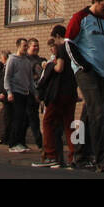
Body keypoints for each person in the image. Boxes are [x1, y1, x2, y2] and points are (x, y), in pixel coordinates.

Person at [66, 0, 104, 171]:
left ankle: (79, 155)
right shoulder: (80, 17)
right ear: (96, 1)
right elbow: (69, 44)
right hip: (86, 71)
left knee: (88, 115)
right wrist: (82, 65)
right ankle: (102, 156)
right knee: (98, 111)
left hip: (103, 73)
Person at [35, 30, 77, 168]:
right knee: (69, 124)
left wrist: (49, 65)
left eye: (53, 40)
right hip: (71, 91)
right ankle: (74, 156)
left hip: (58, 93)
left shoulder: (61, 47)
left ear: (58, 36)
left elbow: (59, 68)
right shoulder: (74, 47)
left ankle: (50, 155)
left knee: (47, 121)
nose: (53, 45)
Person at [3, 44, 33, 153]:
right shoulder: (12, 60)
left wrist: (35, 93)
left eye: (27, 46)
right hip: (16, 92)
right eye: (24, 46)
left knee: (25, 119)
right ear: (18, 46)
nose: (26, 48)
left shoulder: (27, 61)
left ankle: (21, 142)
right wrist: (9, 92)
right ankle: (13, 144)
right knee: (17, 118)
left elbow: (30, 80)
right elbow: (7, 77)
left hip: (25, 93)